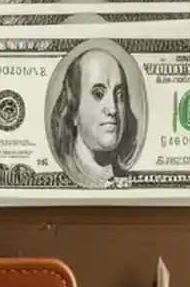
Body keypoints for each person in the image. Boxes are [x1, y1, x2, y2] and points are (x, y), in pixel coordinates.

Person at [48, 47, 140, 188]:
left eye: (120, 95)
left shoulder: (123, 176)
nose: (113, 109)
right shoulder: (70, 172)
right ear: (74, 110)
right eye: (98, 94)